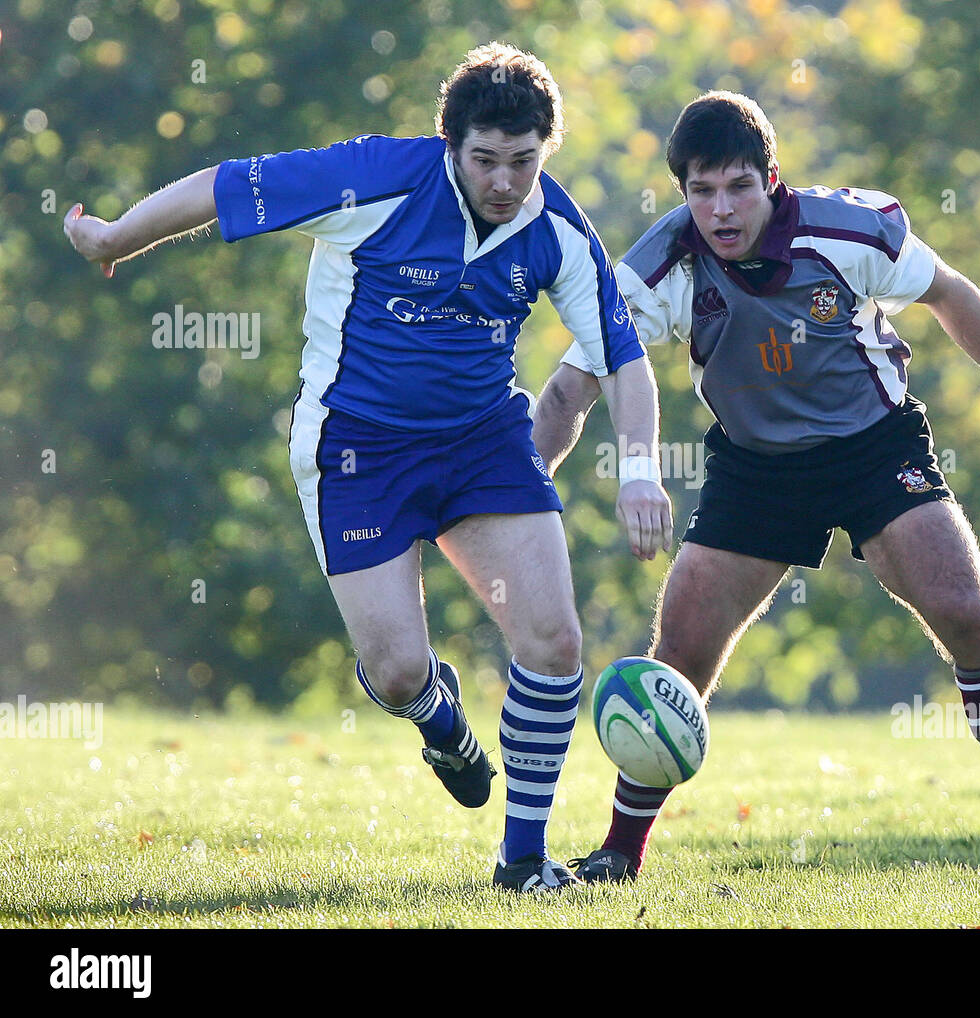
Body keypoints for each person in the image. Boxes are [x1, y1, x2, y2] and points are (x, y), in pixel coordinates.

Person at [62, 43, 673, 892]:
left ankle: (523, 860)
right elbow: (224, 184)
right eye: (486, 160)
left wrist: (640, 467)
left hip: (482, 441)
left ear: (547, 151)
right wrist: (115, 236)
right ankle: (435, 714)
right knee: (394, 672)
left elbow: (622, 360)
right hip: (358, 449)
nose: (504, 182)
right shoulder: (373, 177)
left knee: (555, 638)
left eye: (524, 162)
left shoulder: (558, 228)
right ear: (449, 146)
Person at [532, 91, 980, 885]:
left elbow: (949, 291)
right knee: (681, 652)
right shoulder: (661, 265)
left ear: (773, 179)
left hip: (873, 447)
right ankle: (619, 855)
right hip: (756, 464)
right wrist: (519, 492)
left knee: (963, 610)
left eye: (738, 186)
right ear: (682, 195)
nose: (722, 210)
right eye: (702, 192)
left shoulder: (848, 228)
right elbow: (571, 390)